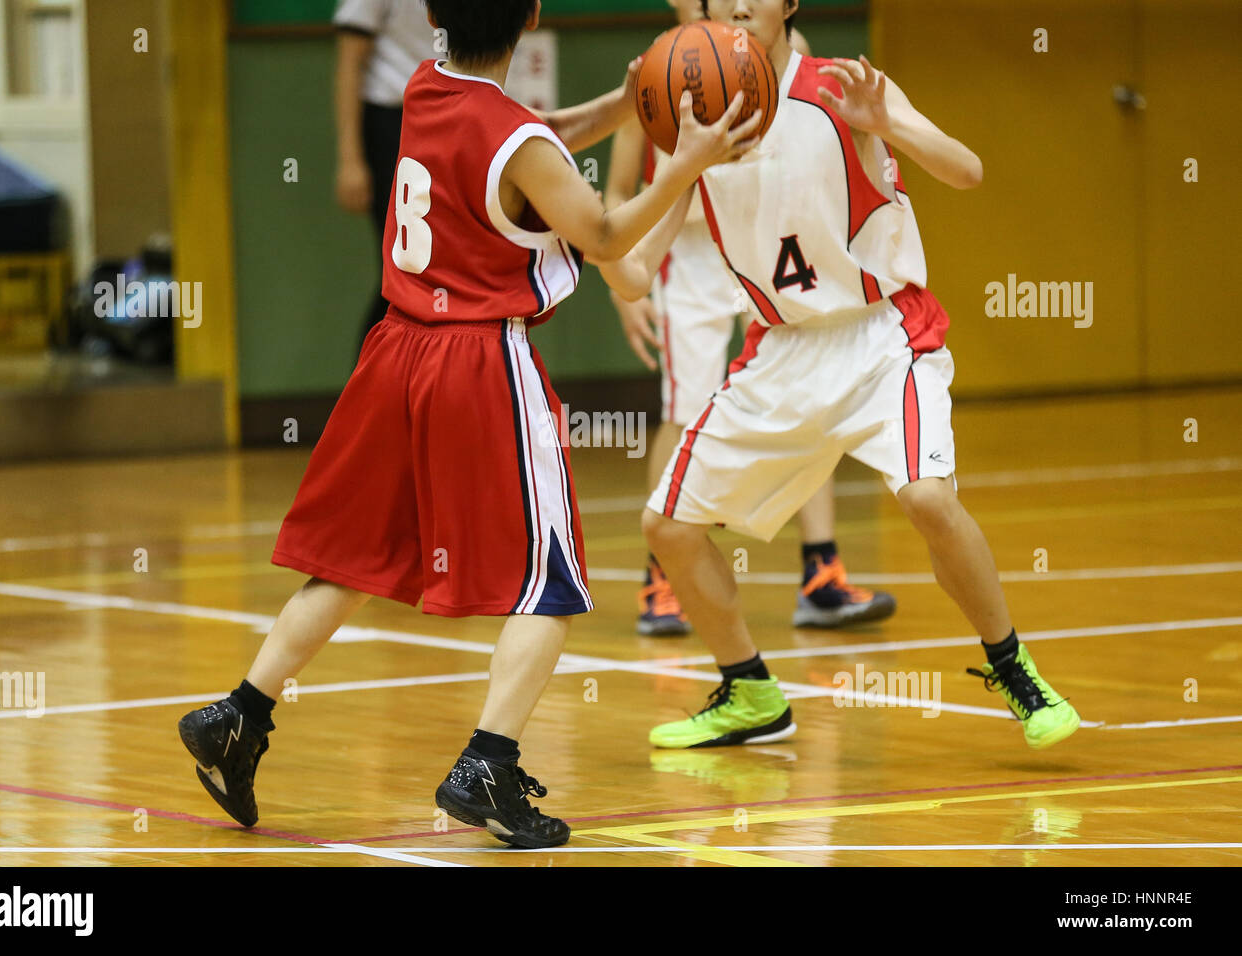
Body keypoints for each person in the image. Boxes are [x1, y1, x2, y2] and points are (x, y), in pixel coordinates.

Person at [178, 0, 761, 849]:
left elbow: (532, 138)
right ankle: (487, 762)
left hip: (395, 352)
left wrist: (627, 102)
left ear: (432, 13)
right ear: (531, 15)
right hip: (479, 363)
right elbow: (598, 230)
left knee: (349, 557)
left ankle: (241, 714)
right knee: (548, 581)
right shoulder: (518, 143)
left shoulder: (425, 88)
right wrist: (686, 161)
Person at [638, 0, 1081, 751]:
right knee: (668, 528)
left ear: (791, 4)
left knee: (927, 498)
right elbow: (626, 271)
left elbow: (966, 171)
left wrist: (889, 123)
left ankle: (1013, 666)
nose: (741, 1)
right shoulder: (694, 128)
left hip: (883, 334)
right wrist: (666, 177)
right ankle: (749, 691)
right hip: (781, 349)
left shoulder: (846, 87)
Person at [607, 0, 894, 636]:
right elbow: (618, 189)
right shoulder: (660, 63)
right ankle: (663, 577)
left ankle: (821, 572)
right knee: (685, 410)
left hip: (768, 244)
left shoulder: (777, 46)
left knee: (805, 396)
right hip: (689, 257)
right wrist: (624, 286)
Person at [333, 0, 438, 356]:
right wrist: (351, 159)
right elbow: (350, 60)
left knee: (444, 267)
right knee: (403, 269)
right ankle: (368, 385)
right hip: (393, 124)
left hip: (454, 119)